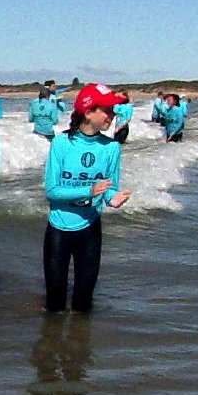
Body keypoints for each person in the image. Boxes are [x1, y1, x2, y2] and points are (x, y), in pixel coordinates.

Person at [43, 85, 133, 314]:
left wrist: (113, 199)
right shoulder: (61, 144)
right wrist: (88, 190)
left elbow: (109, 188)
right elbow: (52, 191)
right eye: (108, 110)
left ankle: (80, 346)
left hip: (90, 230)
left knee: (83, 303)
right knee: (54, 303)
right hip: (58, 230)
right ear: (88, 111)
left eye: (113, 110)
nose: (113, 115)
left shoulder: (112, 147)